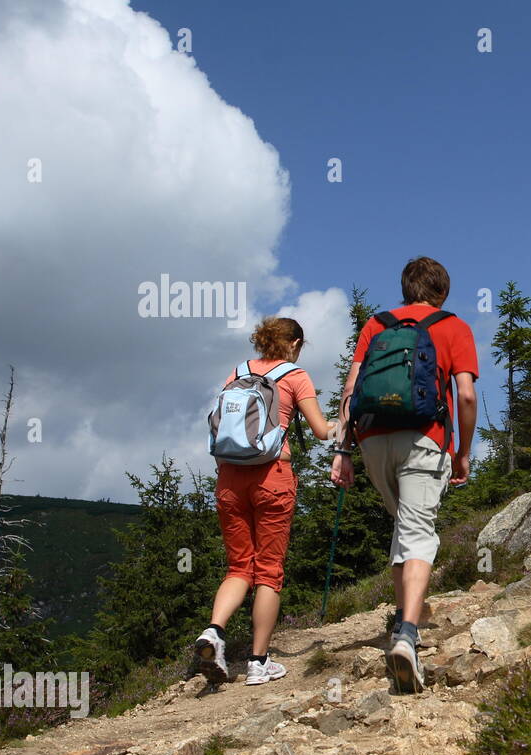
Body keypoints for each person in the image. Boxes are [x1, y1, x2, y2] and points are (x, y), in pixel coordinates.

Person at [331, 256, 478, 693]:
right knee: (418, 532)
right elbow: (466, 396)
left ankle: (400, 618)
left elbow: (351, 390)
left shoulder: (378, 325)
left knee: (402, 526)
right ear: (442, 292)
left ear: (405, 288)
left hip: (373, 440)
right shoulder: (453, 326)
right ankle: (409, 636)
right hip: (424, 436)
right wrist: (463, 453)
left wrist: (342, 451)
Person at [194, 317, 334, 686]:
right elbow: (321, 432)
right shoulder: (296, 375)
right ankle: (258, 662)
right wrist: (344, 421)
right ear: (296, 343)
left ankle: (214, 631)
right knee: (269, 571)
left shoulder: (238, 372)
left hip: (229, 478)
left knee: (239, 567)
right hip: (272, 477)